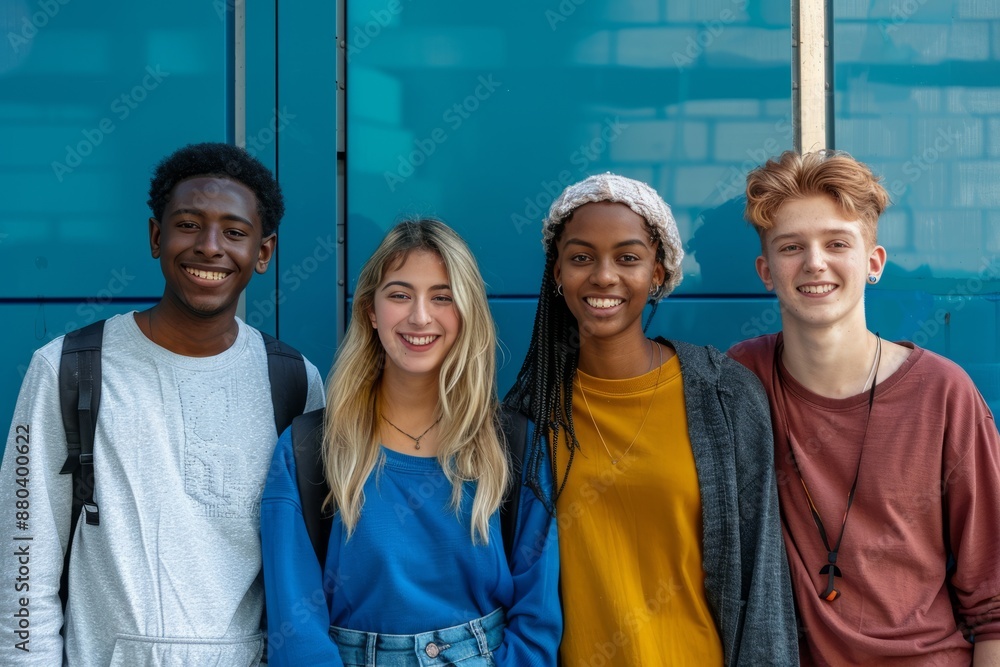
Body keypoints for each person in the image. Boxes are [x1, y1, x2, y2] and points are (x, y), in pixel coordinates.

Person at [0, 142, 325, 665]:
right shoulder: (68, 367)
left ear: (263, 253)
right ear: (156, 236)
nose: (210, 247)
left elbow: (306, 564)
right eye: (189, 224)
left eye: (235, 233)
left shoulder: (291, 381)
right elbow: (23, 556)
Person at [503, 173, 798, 665]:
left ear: (658, 272)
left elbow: (763, 583)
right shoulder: (527, 416)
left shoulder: (726, 396)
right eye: (581, 257)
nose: (603, 276)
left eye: (628, 257)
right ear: (557, 273)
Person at [729, 150, 1000, 665]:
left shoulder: (944, 393)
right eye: (792, 247)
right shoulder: (739, 382)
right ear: (767, 271)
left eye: (837, 243)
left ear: (873, 263)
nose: (814, 262)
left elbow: (994, 598)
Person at [261, 219, 561, 666]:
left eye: (442, 297)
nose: (420, 316)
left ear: (465, 312)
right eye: (400, 295)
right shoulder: (308, 450)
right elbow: (297, 633)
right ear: (370, 310)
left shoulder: (514, 445)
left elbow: (537, 619)